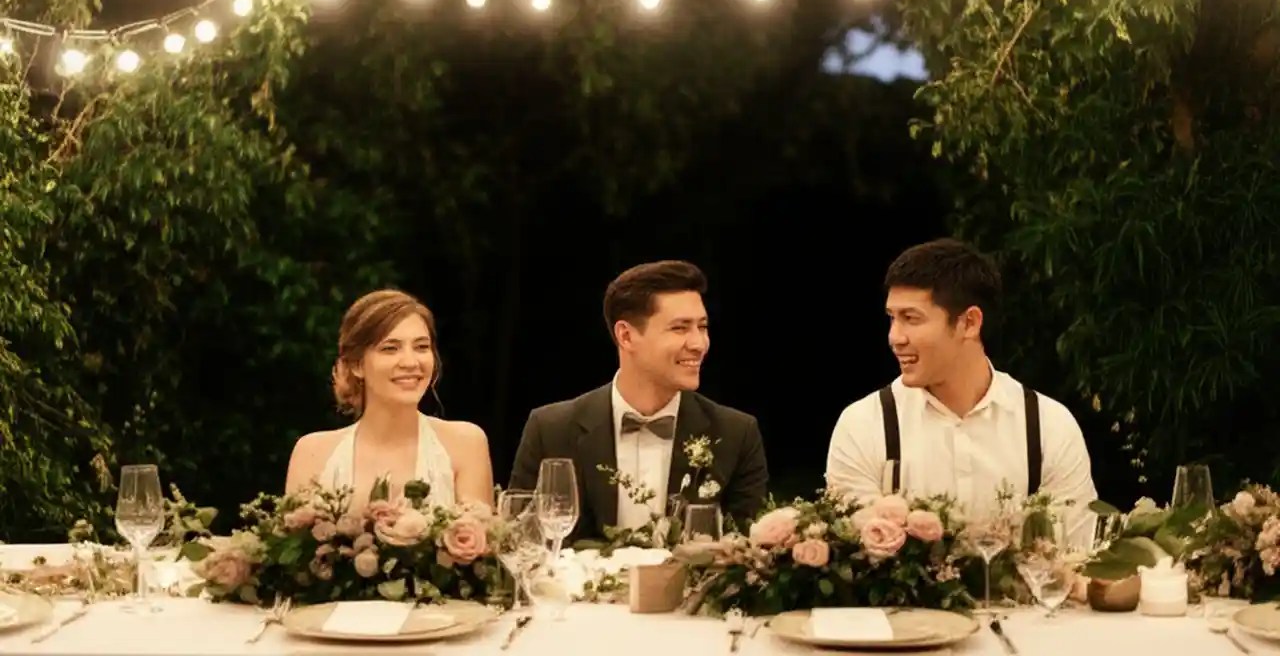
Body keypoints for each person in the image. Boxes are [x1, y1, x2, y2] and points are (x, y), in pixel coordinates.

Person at [825, 238, 1097, 547]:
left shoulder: (1049, 425)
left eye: (911, 319)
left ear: (969, 323)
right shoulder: (863, 425)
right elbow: (853, 558)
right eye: (892, 318)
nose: (894, 337)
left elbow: (1076, 555)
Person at [509, 260, 769, 542]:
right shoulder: (551, 430)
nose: (699, 343)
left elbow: (746, 559)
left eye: (702, 327)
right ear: (626, 335)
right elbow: (522, 544)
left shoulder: (735, 434)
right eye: (680, 328)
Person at [285, 289, 494, 510]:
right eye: (390, 349)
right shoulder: (312, 454)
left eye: (421, 347)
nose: (410, 362)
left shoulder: (466, 444)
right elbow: (292, 543)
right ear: (357, 365)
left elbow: (484, 538)